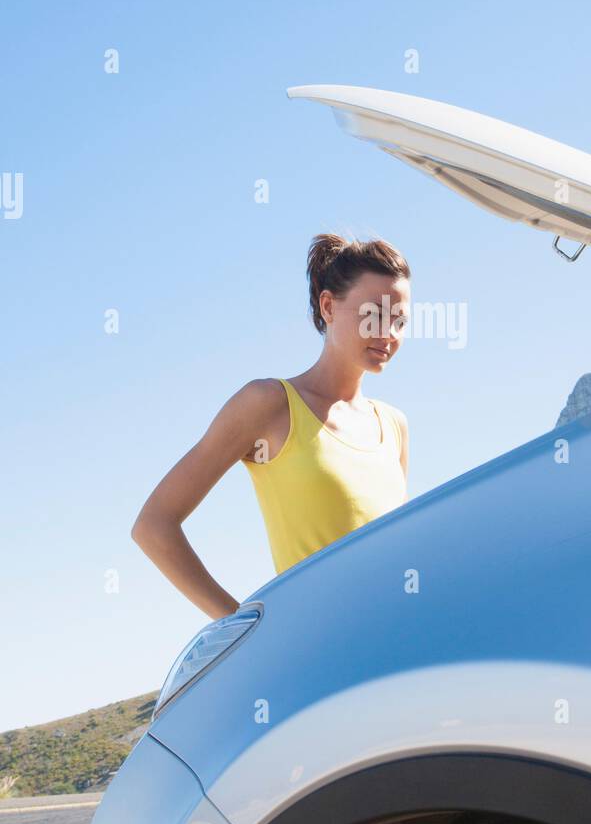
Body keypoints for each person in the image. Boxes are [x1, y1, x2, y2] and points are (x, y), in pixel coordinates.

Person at [131, 233, 411, 619]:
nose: (389, 334)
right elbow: (153, 526)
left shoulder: (394, 426)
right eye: (373, 314)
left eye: (399, 320)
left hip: (398, 648)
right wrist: (243, 627)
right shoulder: (268, 405)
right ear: (328, 306)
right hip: (316, 657)